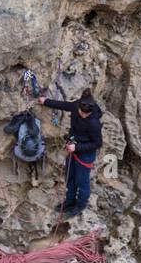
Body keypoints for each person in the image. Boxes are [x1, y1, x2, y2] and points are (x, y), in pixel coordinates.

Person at [38, 88, 104, 217]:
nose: (83, 115)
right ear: (79, 106)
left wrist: (77, 148)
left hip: (85, 154)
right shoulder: (76, 106)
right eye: (82, 112)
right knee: (70, 177)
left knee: (82, 182)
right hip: (73, 147)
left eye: (87, 114)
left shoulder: (94, 123)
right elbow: (63, 105)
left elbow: (97, 143)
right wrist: (45, 101)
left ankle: (80, 205)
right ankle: (69, 202)